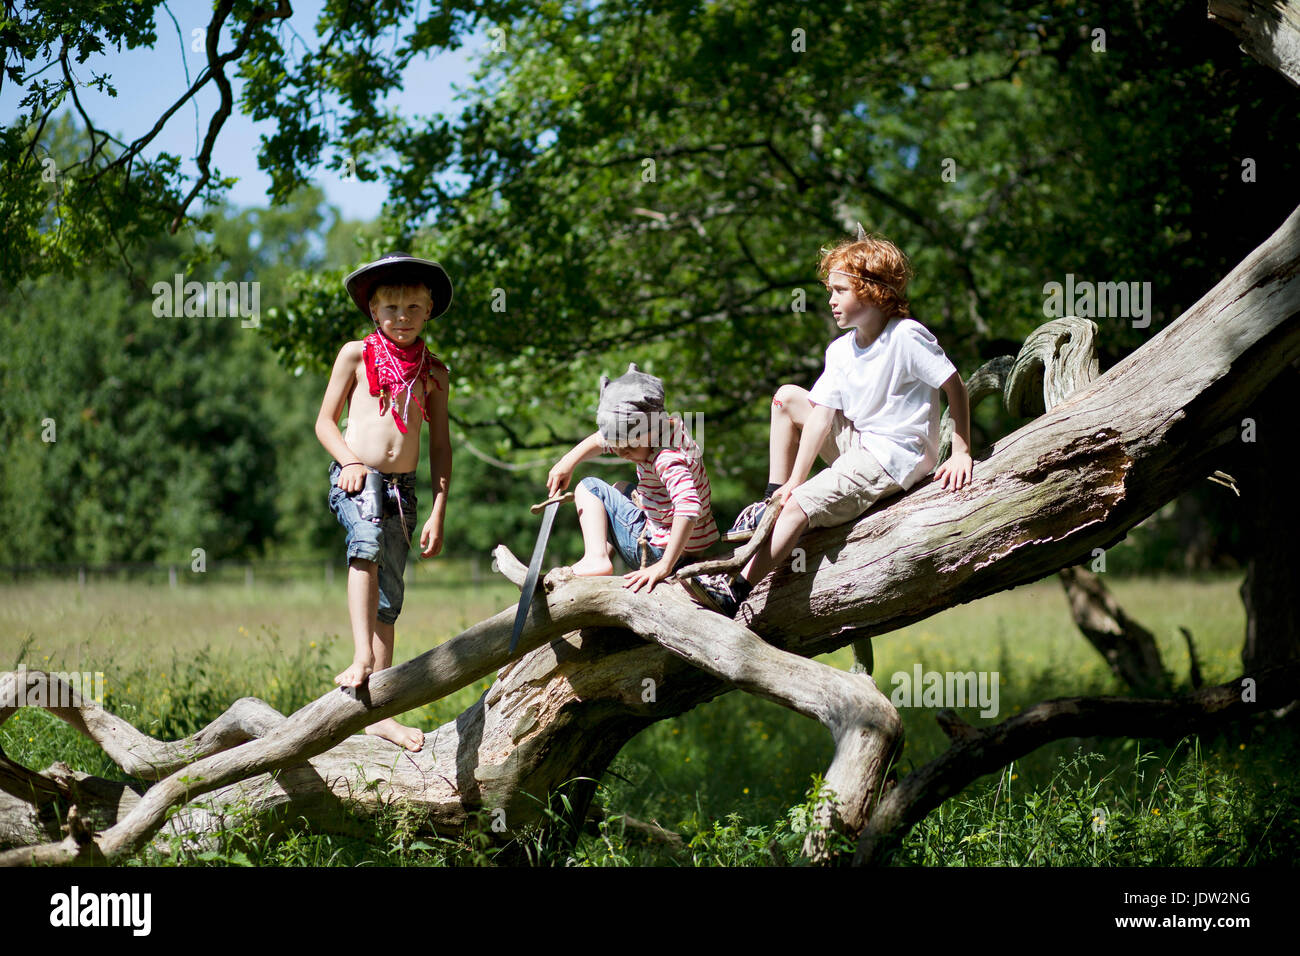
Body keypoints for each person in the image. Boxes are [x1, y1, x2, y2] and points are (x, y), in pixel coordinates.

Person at [685, 233, 973, 618]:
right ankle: (770, 500)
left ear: (872, 291)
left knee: (800, 506)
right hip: (860, 441)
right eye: (829, 290)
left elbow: (954, 384)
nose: (831, 299)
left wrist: (962, 449)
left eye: (840, 290)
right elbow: (820, 414)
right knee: (786, 398)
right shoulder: (840, 350)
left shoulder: (905, 336)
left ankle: (735, 589)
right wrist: (791, 482)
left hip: (893, 457)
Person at [314, 252, 454, 751]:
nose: (402, 316)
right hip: (357, 476)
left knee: (390, 597)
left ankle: (380, 710)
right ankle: (360, 660)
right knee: (366, 541)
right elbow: (324, 423)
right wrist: (350, 461)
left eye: (413, 307)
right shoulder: (356, 353)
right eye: (391, 307)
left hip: (405, 487)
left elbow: (439, 446)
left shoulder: (433, 372)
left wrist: (438, 508)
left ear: (429, 308)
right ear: (374, 310)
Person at [546, 364, 719, 593]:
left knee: (589, 487)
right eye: (617, 447)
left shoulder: (667, 458)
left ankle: (596, 559)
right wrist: (565, 463)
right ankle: (600, 556)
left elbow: (688, 508)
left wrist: (663, 566)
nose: (623, 453)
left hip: (662, 554)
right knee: (619, 488)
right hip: (687, 546)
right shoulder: (666, 428)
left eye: (628, 446)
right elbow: (601, 440)